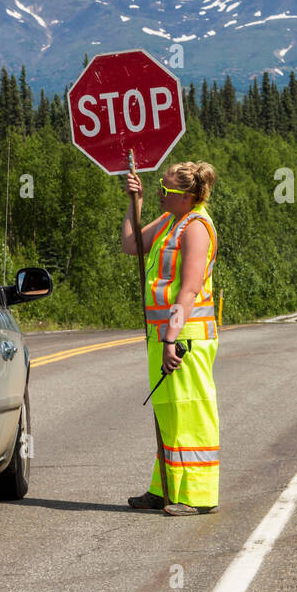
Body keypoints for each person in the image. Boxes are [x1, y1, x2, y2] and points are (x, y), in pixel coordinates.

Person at [122, 161, 220, 515]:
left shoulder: (196, 229)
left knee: (190, 413)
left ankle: (196, 496)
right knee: (169, 414)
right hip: (163, 333)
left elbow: (189, 291)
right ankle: (163, 488)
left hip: (185, 337)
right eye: (159, 188)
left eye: (166, 190)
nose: (161, 193)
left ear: (188, 197)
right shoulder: (170, 220)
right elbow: (132, 245)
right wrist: (136, 201)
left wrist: (170, 338)